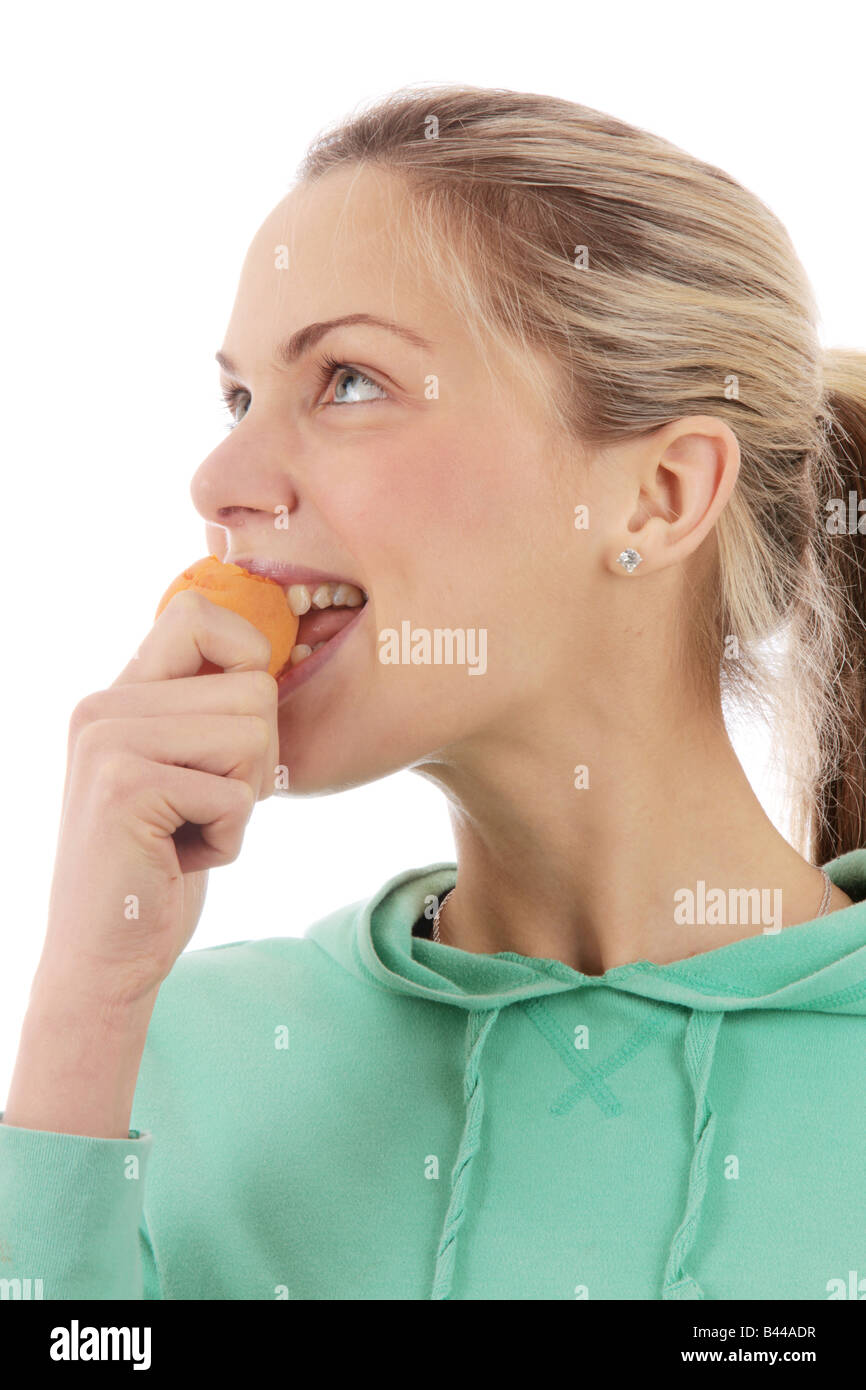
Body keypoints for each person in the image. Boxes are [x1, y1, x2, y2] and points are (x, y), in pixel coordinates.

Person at [2, 84, 865, 1301]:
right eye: (238, 397)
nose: (221, 475)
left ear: (658, 495)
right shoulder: (168, 1060)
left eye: (349, 381)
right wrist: (83, 1006)